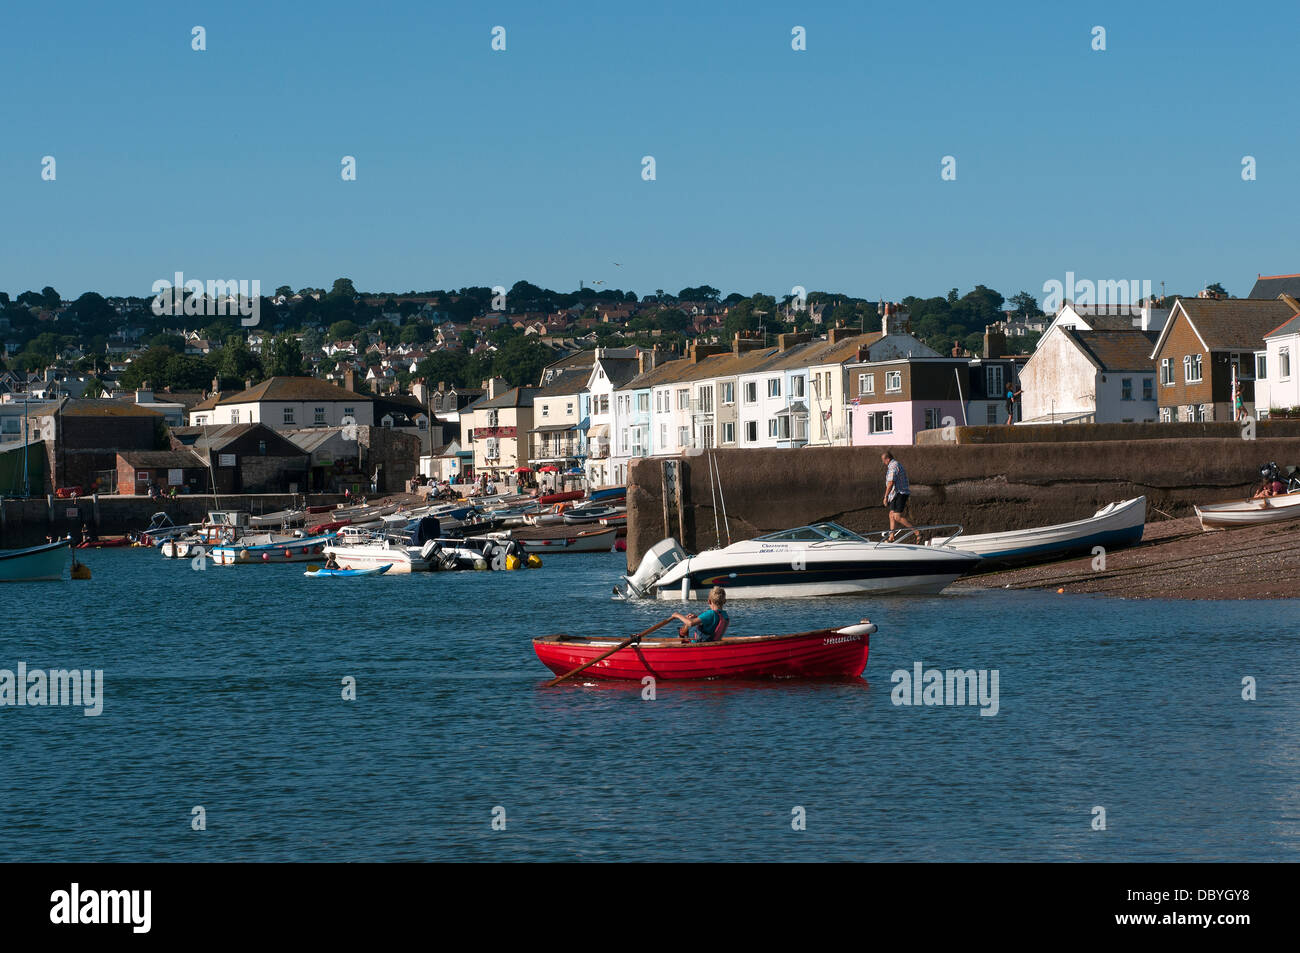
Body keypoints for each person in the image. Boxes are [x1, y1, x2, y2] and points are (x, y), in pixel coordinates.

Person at [881, 451, 914, 541]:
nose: (883, 463)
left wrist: (885, 496)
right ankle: (891, 537)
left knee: (897, 517)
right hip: (895, 494)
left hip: (901, 493)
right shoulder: (894, 465)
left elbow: (891, 482)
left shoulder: (893, 466)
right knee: (891, 514)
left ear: (887, 459)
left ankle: (916, 532)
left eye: (883, 460)